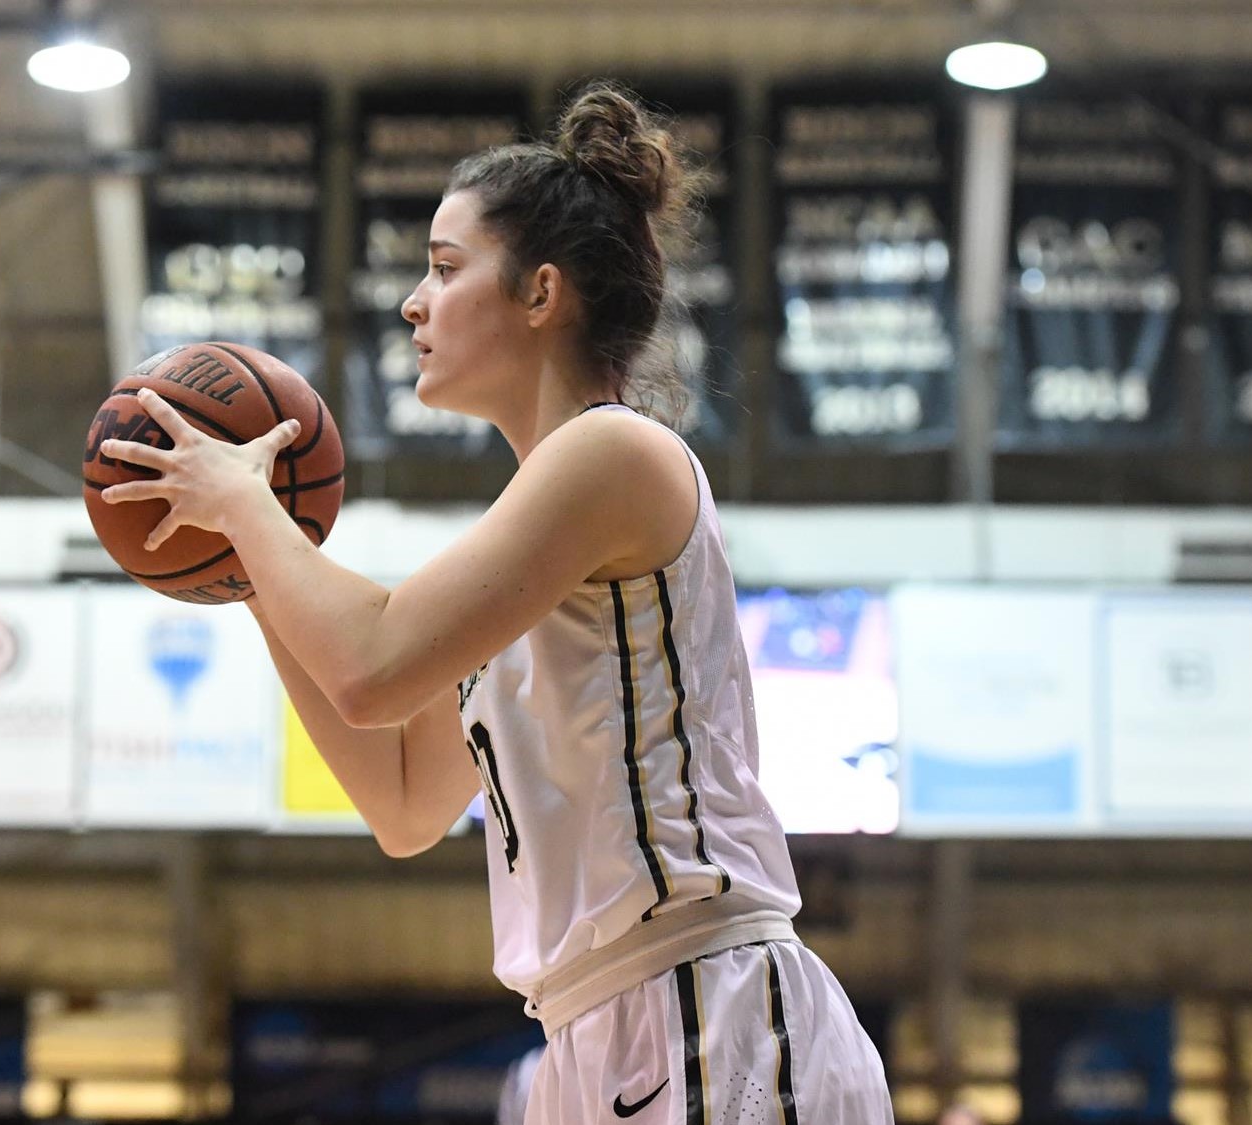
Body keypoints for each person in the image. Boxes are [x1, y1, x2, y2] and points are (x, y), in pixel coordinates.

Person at [99, 81, 893, 1125]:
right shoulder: (526, 541)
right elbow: (401, 801)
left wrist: (249, 509)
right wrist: (247, 563)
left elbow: (372, 666)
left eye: (443, 267)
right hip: (591, 1027)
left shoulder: (614, 453)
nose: (411, 303)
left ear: (540, 293)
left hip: (705, 999)